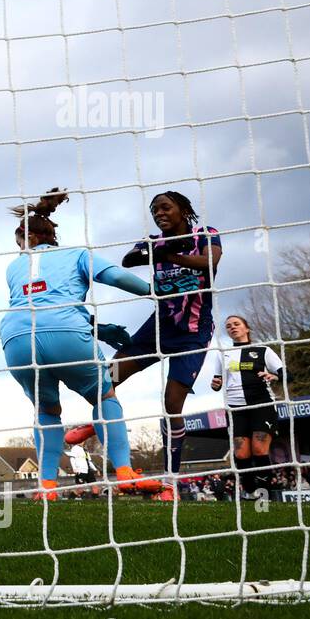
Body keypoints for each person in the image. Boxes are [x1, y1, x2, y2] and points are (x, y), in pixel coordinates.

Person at [0, 188, 163, 501]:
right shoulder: (76, 254)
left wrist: (97, 329)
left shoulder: (13, 268)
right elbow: (114, 277)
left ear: (26, 239)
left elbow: (40, 306)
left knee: (47, 410)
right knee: (104, 397)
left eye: (18, 243)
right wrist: (151, 291)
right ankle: (125, 472)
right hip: (67, 335)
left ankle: (46, 488)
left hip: (16, 340)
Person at [65, 190, 223, 499]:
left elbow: (210, 261)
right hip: (159, 326)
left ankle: (169, 482)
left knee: (172, 404)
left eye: (165, 207)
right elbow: (129, 259)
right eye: (154, 210)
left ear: (183, 209)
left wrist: (169, 256)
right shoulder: (154, 241)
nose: (159, 213)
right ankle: (92, 424)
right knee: (106, 377)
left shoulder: (205, 233)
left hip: (193, 332)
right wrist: (157, 250)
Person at [210, 314, 286, 500]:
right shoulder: (222, 354)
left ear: (246, 328)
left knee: (260, 450)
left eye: (236, 324)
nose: (232, 327)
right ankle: (251, 492)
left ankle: (265, 499)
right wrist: (215, 384)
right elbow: (217, 381)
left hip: (262, 405)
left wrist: (274, 377)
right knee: (241, 453)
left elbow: (286, 375)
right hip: (236, 409)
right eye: (228, 326)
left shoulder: (263, 350)